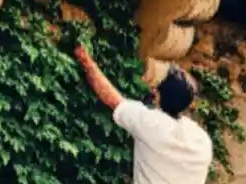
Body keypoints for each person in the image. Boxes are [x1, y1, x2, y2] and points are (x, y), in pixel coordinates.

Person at [74, 44, 214, 184]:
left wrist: (85, 59)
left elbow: (110, 97)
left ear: (158, 95)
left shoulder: (152, 125)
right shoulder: (202, 140)